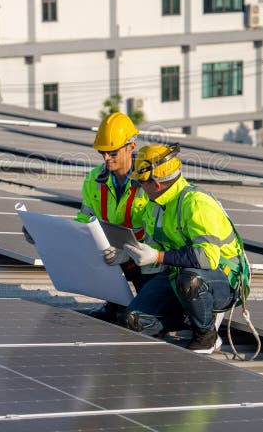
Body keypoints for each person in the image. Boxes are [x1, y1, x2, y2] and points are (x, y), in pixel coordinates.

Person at [105, 142, 246, 354]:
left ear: (157, 184)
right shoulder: (155, 205)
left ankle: (206, 335)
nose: (139, 187)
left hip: (222, 281)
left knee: (192, 280)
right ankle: (189, 315)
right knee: (132, 321)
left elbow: (208, 258)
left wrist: (158, 256)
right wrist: (128, 255)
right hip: (178, 277)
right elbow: (152, 248)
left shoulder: (196, 203)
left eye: (142, 183)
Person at [22, 112, 153, 322]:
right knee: (93, 251)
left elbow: (161, 231)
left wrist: (131, 253)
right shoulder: (94, 180)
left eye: (112, 152)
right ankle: (115, 302)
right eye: (102, 152)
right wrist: (44, 235)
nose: (106, 158)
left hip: (146, 257)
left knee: (146, 315)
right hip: (111, 256)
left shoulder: (149, 181)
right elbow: (84, 223)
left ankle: (154, 307)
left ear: (131, 146)